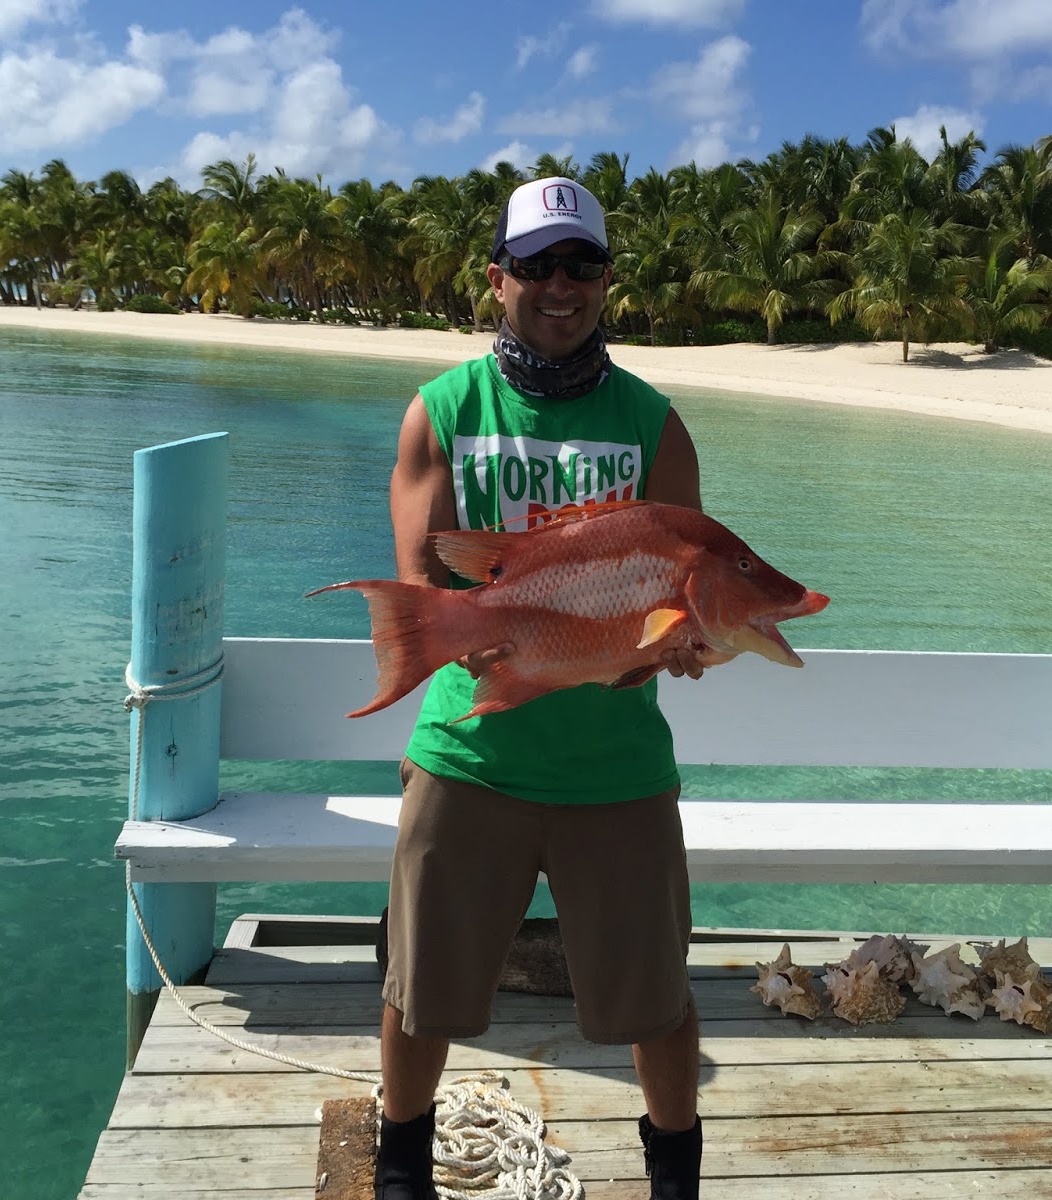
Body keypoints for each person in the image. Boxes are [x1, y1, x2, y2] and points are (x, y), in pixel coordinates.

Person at [373, 176, 706, 1200]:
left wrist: (683, 640)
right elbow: (423, 582)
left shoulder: (654, 424)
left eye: (582, 264)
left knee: (654, 994)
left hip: (615, 766)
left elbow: (681, 580)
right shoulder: (445, 409)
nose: (560, 286)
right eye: (537, 264)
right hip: (472, 750)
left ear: (607, 280)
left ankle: (673, 1176)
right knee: (418, 986)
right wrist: (484, 645)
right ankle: (400, 1166)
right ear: (497, 278)